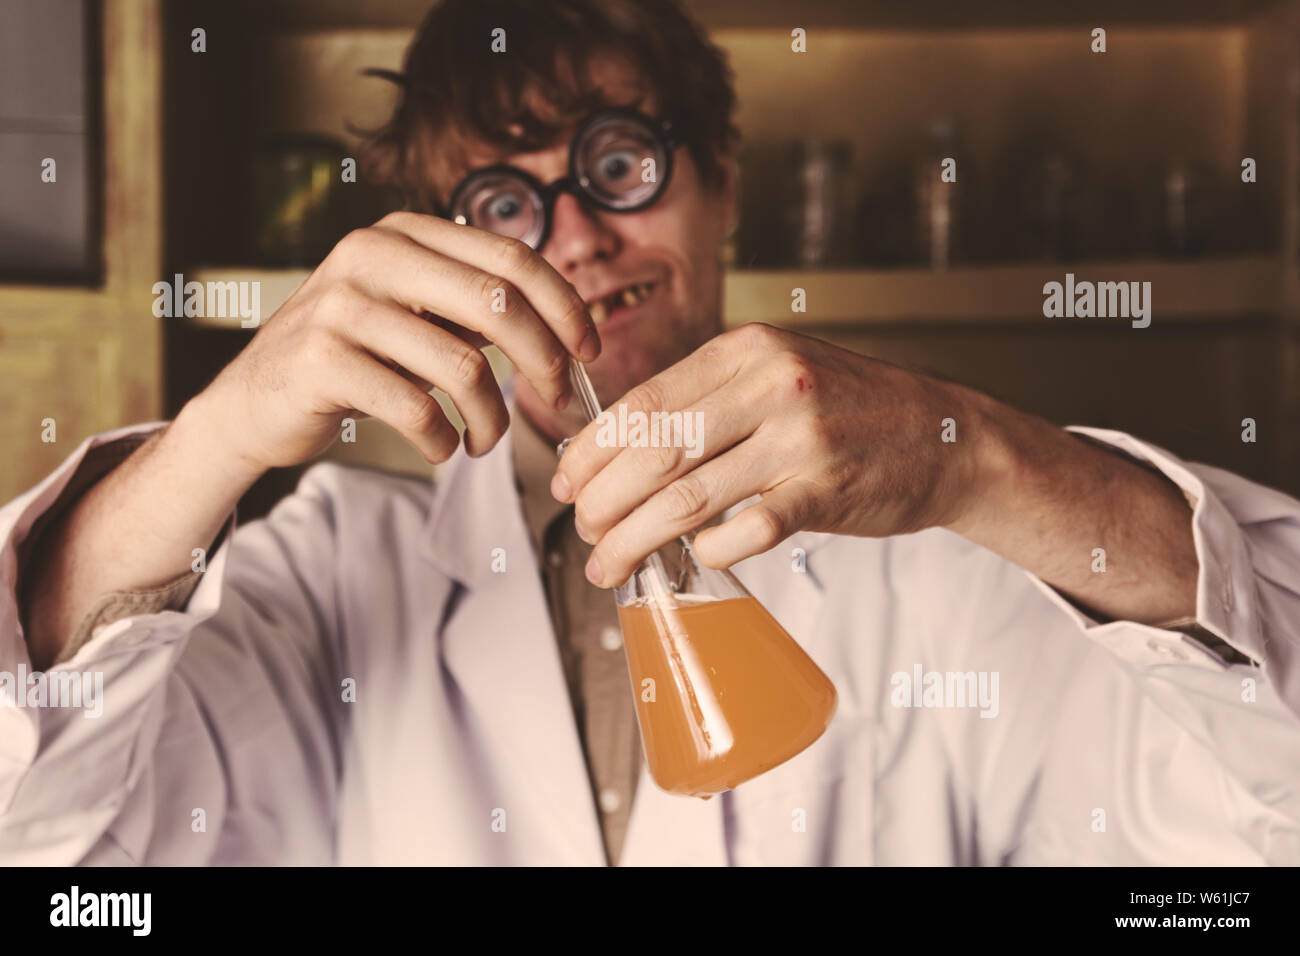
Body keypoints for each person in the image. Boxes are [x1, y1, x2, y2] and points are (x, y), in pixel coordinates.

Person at [3, 0, 1299, 866]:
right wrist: (217, 434)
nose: (576, 240)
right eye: (504, 204)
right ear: (443, 253)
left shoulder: (948, 548)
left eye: (620, 166)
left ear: (723, 182)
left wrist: (984, 455)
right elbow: (49, 844)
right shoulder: (335, 572)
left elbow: (1258, 826)